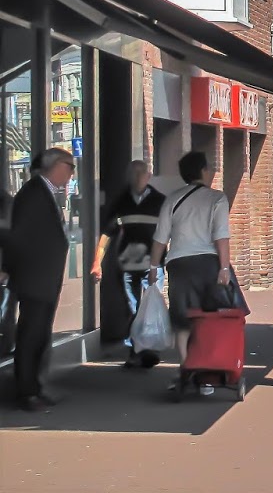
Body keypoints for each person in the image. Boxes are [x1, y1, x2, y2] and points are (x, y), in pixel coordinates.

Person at [150, 150, 235, 394]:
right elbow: (221, 235)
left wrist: (153, 267)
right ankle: (206, 375)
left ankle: (186, 367)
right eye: (209, 168)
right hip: (208, 264)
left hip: (179, 265)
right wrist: (224, 267)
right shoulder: (217, 198)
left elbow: (160, 238)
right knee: (207, 317)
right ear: (203, 171)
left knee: (182, 318)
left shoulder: (172, 199)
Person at [4, 148, 74, 409]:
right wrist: (10, 268)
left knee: (40, 335)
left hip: (44, 278)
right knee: (31, 335)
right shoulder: (33, 193)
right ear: (56, 165)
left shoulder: (45, 192)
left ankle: (35, 387)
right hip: (34, 278)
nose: (71, 173)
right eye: (70, 166)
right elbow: (19, 237)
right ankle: (27, 392)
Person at [91, 159, 167, 367]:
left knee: (149, 309)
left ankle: (146, 350)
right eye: (133, 173)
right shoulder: (122, 201)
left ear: (148, 176)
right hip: (128, 265)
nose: (136, 177)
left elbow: (170, 233)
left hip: (153, 266)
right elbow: (107, 233)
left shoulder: (160, 201)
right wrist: (97, 262)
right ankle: (137, 350)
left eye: (140, 173)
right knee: (134, 310)